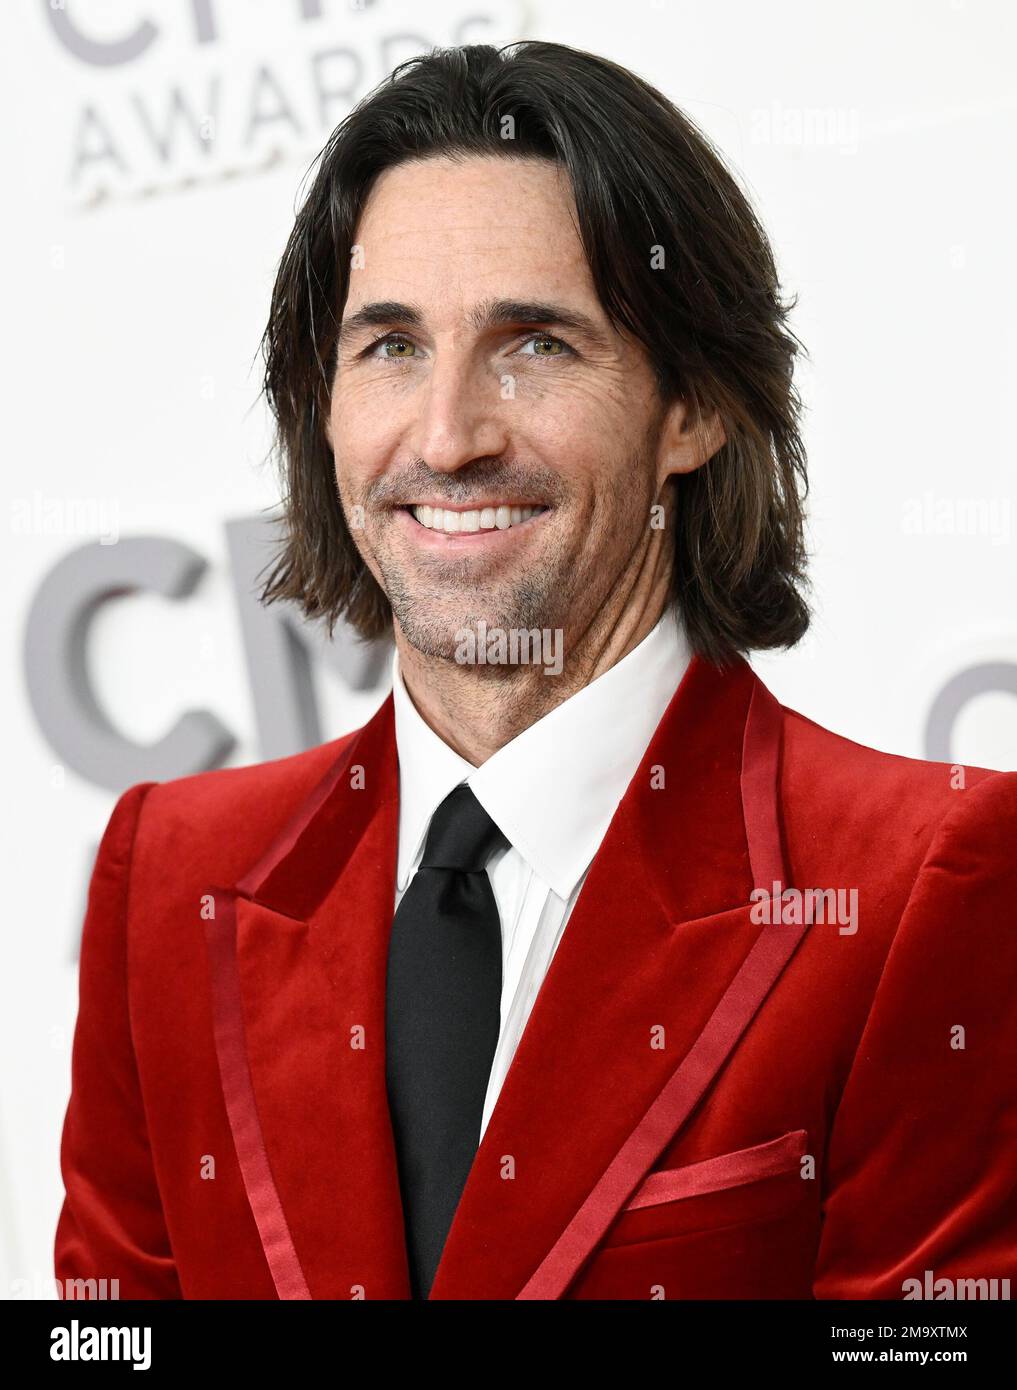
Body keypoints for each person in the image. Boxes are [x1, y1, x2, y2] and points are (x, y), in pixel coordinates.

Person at [55, 41, 1017, 1301]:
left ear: (695, 406)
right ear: (323, 406)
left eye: (536, 345)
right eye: (390, 346)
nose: (449, 434)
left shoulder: (921, 884)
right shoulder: (174, 876)